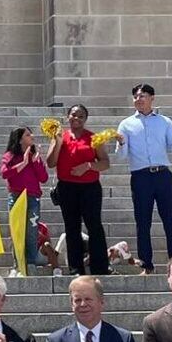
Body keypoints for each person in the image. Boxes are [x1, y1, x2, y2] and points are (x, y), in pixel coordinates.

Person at [113, 83, 172, 275]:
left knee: (170, 221)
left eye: (142, 96)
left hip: (162, 175)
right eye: (135, 96)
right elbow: (121, 156)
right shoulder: (126, 124)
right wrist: (120, 143)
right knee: (143, 222)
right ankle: (147, 265)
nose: (138, 99)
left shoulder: (165, 122)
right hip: (140, 176)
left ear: (152, 98)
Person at [46, 104, 111, 276]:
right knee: (72, 227)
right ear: (68, 116)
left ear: (85, 119)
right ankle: (75, 268)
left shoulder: (93, 138)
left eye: (81, 116)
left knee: (94, 226)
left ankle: (100, 267)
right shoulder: (60, 136)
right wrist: (58, 142)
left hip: (90, 188)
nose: (77, 118)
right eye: (74, 115)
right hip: (67, 188)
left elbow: (105, 162)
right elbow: (50, 163)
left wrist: (88, 166)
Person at [0, 125, 51, 274]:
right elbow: (4, 173)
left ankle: (30, 262)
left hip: (33, 198)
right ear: (20, 139)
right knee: (17, 231)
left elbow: (44, 178)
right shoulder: (10, 155)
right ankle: (17, 265)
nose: (32, 137)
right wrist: (22, 163)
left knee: (31, 231)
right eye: (28, 135)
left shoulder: (35, 156)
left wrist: (35, 162)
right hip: (16, 197)